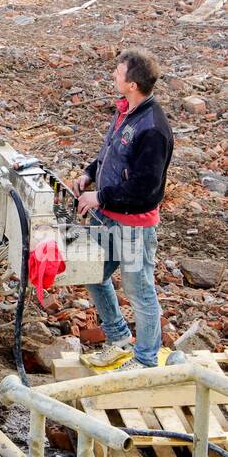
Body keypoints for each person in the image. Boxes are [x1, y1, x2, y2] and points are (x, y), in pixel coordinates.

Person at [73, 48, 174, 370]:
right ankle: (117, 340)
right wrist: (89, 175)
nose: (114, 76)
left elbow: (145, 187)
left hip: (132, 227)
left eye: (118, 72)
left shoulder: (153, 129)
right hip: (107, 219)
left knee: (139, 289)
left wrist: (100, 197)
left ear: (132, 83)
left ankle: (145, 360)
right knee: (93, 273)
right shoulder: (126, 112)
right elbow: (110, 153)